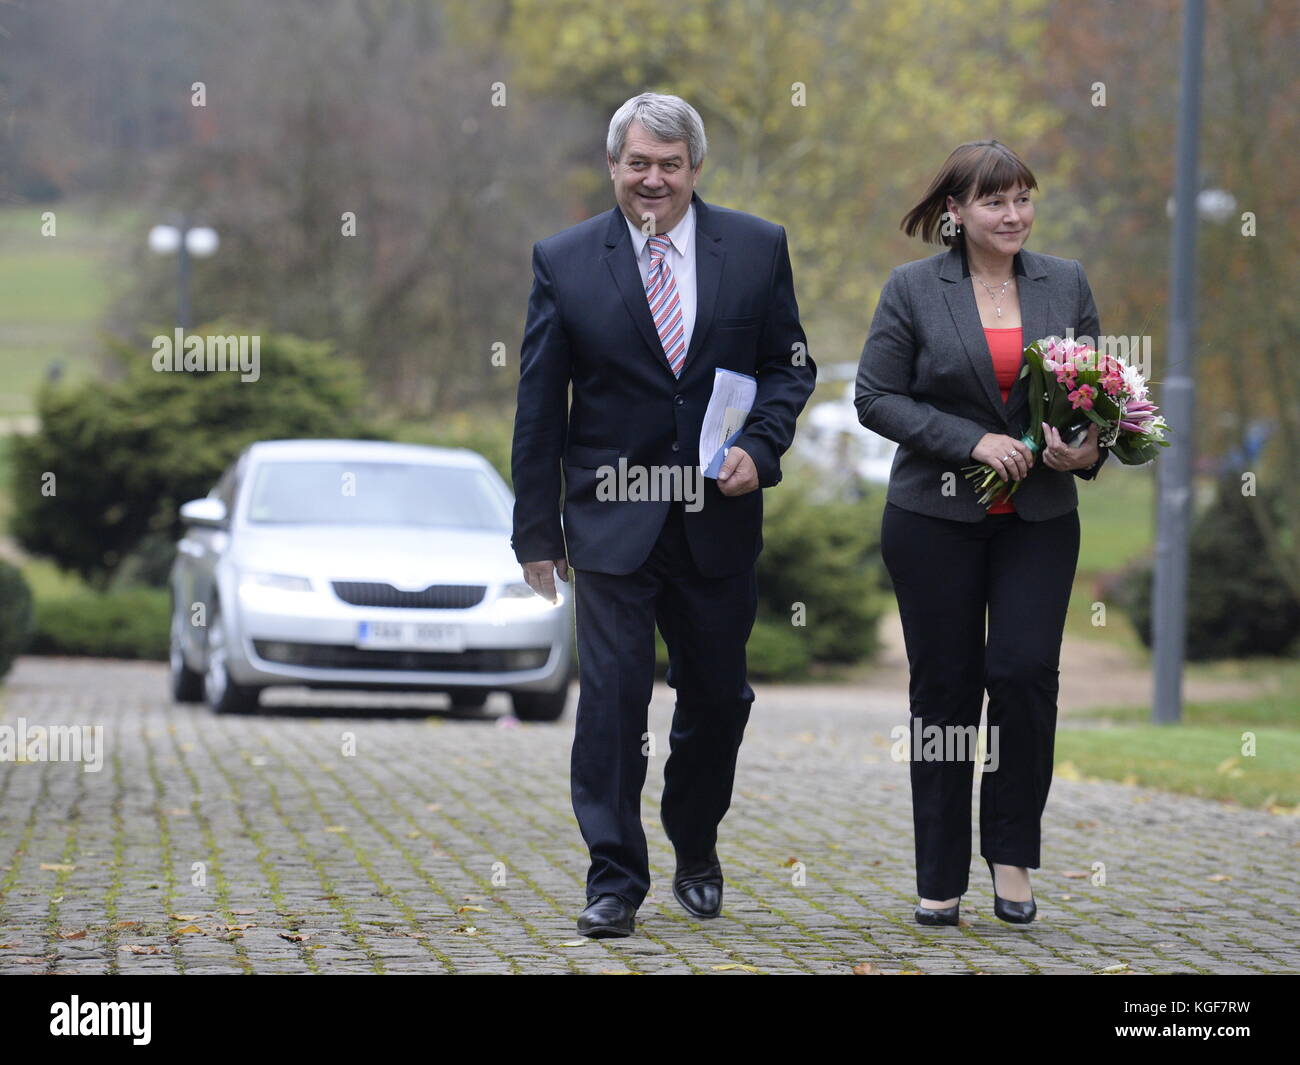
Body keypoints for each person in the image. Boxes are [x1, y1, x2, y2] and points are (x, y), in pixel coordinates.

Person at [510, 92, 816, 938]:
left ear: (695, 170)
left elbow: (790, 366)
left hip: (715, 518)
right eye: (638, 163)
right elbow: (540, 406)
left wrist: (763, 444)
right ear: (613, 166)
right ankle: (613, 876)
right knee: (610, 701)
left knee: (718, 698)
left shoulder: (756, 248)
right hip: (611, 522)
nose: (653, 180)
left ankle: (695, 838)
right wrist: (535, 531)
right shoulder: (564, 261)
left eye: (669, 165)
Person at [855, 140, 1108, 926]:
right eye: (995, 201)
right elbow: (875, 397)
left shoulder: (1064, 281)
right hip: (935, 518)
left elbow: (1099, 396)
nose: (1014, 215)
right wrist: (969, 440)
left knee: (1025, 673)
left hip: (1038, 519)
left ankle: (1012, 855)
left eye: (1024, 198)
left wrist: (1089, 444)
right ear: (955, 212)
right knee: (945, 693)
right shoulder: (912, 290)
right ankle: (939, 874)